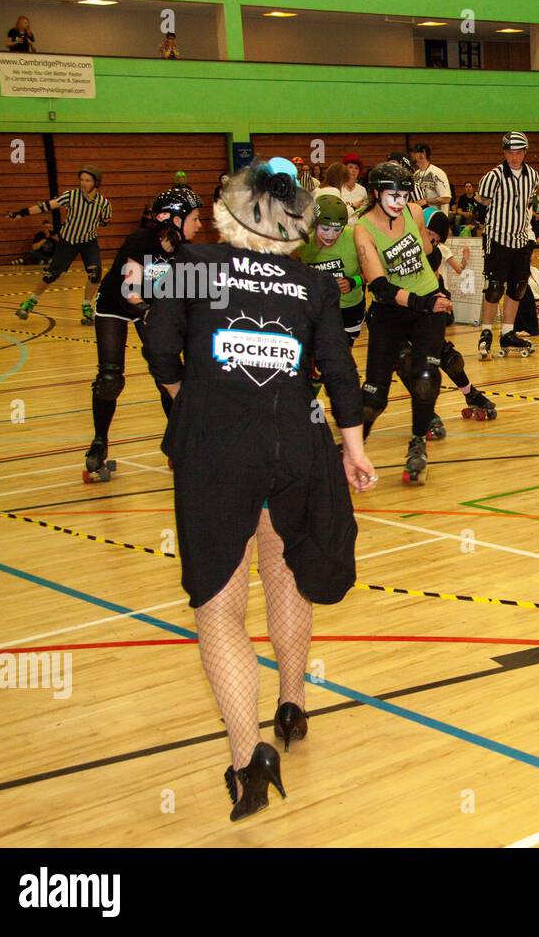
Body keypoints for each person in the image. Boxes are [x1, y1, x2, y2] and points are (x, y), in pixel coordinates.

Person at [140, 158, 374, 822]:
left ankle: (249, 761)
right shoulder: (315, 285)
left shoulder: (190, 264)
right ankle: (292, 705)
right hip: (297, 445)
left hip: (218, 448)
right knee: (286, 575)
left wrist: (187, 394)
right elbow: (338, 371)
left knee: (219, 607)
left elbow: (159, 348)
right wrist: (353, 451)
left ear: (229, 213)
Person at [82, 187, 202, 482]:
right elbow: (130, 293)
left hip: (151, 307)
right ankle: (99, 442)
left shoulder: (186, 253)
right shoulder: (141, 241)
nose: (200, 224)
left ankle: (177, 442)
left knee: (167, 374)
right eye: (195, 218)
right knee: (110, 377)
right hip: (115, 304)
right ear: (171, 219)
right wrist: (153, 315)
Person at [352, 158, 453, 484]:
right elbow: (379, 286)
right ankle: (351, 453)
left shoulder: (412, 212)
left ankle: (418, 442)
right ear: (374, 194)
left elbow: (426, 247)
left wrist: (432, 284)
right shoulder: (363, 229)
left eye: (403, 194)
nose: (398, 202)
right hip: (391, 309)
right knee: (372, 399)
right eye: (391, 195)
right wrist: (424, 299)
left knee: (425, 378)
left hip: (427, 305)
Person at [420, 210, 498, 428]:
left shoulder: (436, 252)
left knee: (448, 356)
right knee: (413, 364)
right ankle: (424, 409)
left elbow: (436, 278)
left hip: (429, 305)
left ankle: (470, 393)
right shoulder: (407, 248)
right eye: (429, 233)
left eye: (436, 237)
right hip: (400, 311)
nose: (432, 239)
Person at [9, 165, 111, 325]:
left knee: (95, 274)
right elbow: (46, 206)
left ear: (96, 183)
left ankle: (87, 306)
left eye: (88, 180)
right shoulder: (71, 196)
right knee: (51, 275)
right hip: (68, 241)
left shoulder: (103, 203)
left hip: (88, 242)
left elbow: (105, 221)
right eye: (82, 180)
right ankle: (30, 302)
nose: (84, 183)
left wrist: (90, 222)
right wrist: (21, 213)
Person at [475, 131, 539, 359]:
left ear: (524, 153)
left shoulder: (533, 176)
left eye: (519, 153)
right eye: (510, 153)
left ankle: (507, 332)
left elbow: (527, 207)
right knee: (494, 287)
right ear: (504, 153)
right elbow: (480, 205)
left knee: (517, 287)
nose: (514, 157)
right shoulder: (493, 176)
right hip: (498, 238)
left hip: (520, 238)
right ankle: (486, 331)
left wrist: (530, 237)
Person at [297, 194, 366, 347]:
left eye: (337, 229)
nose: (331, 235)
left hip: (349, 307)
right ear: (315, 224)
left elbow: (371, 272)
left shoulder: (355, 236)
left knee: (343, 354)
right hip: (316, 308)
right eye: (325, 228)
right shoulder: (302, 241)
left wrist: (353, 281)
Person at [410, 143, 451, 215]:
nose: (412, 155)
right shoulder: (415, 175)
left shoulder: (437, 173)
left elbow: (446, 199)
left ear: (423, 154)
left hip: (436, 218)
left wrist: (426, 201)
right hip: (421, 218)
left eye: (414, 152)